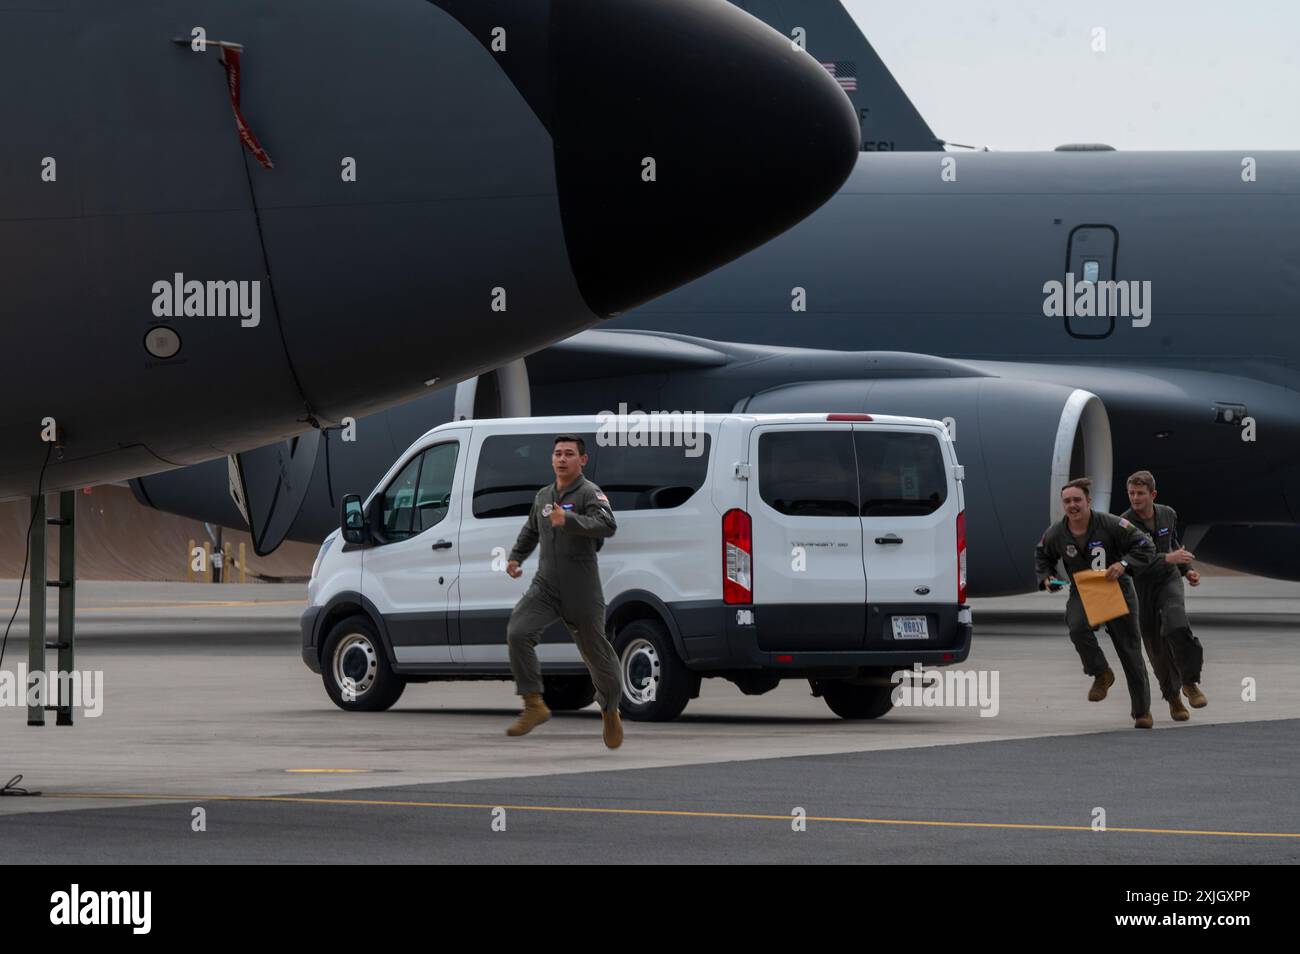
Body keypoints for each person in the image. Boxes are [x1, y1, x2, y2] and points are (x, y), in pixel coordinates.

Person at [503, 434, 624, 748]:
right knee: (518, 631)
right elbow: (532, 529)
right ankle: (534, 703)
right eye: (557, 453)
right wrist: (516, 557)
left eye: (569, 454)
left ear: (582, 460)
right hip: (546, 585)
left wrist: (568, 519)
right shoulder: (544, 496)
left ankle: (610, 709)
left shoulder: (589, 492)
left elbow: (608, 525)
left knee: (598, 656)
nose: (561, 459)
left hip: (581, 588)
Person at [1034, 478, 1158, 728]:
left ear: (1088, 501)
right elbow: (1042, 554)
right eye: (1067, 501)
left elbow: (1146, 546)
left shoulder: (1113, 524)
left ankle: (1142, 712)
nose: (1073, 505)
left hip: (1116, 591)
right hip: (1084, 592)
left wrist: (1123, 564)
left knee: (1130, 651)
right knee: (1077, 627)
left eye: (1077, 500)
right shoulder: (1057, 532)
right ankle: (1101, 672)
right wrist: (1046, 577)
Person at [1121, 470, 1206, 721]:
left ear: (1152, 494)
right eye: (1131, 494)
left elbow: (1173, 544)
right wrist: (1169, 558)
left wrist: (1187, 570)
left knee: (1176, 625)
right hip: (1142, 588)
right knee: (1156, 648)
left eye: (1140, 493)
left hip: (1168, 580)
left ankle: (1190, 682)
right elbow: (1135, 562)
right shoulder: (1124, 525)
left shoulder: (1168, 514)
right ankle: (1173, 698)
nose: (1135, 498)